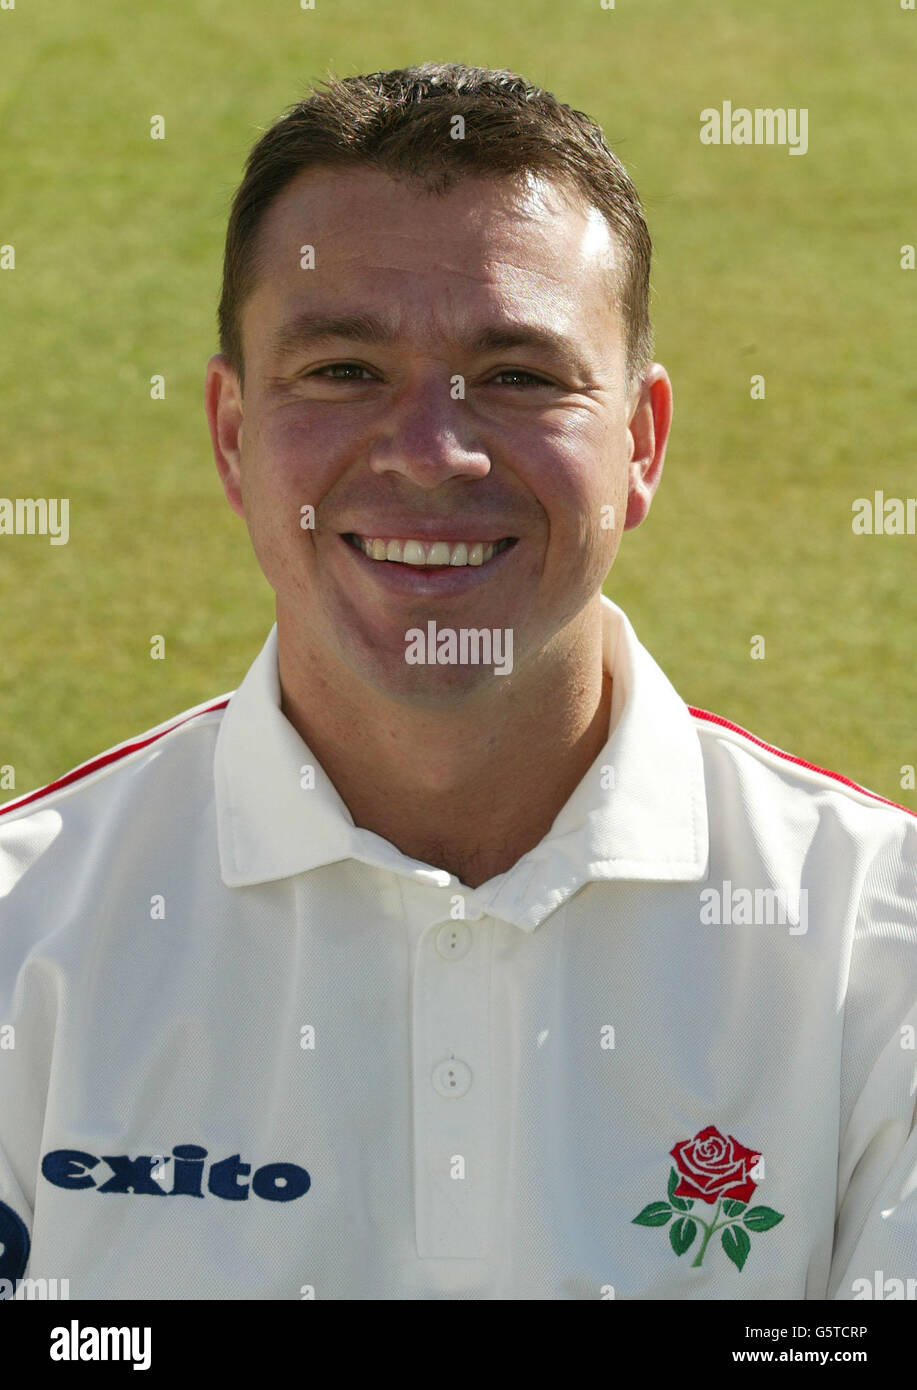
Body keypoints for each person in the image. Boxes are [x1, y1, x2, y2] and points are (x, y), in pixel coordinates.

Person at [1, 62, 914, 1302]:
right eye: (341, 371)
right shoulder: (24, 935)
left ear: (639, 444)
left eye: (519, 376)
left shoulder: (878, 945)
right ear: (229, 434)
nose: (432, 453)